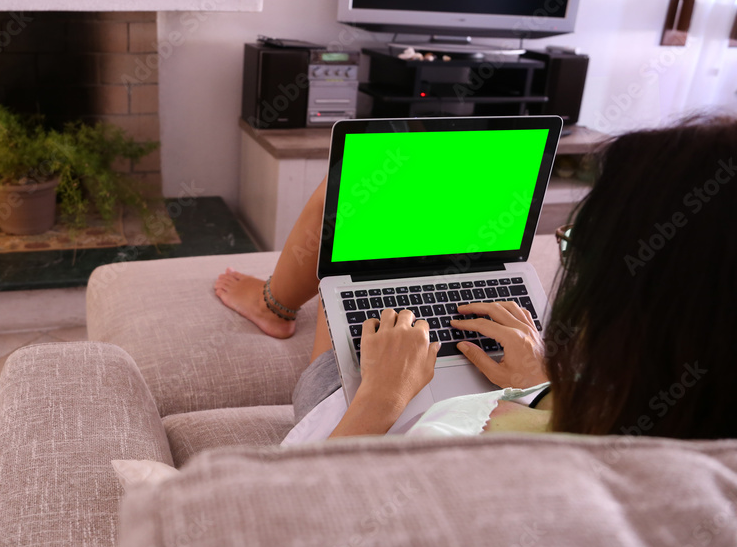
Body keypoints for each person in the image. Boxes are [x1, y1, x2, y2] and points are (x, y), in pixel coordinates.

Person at [215, 114, 737, 440]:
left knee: (349, 197)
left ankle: (273, 304)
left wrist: (381, 395)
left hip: (359, 415)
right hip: (518, 384)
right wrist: (542, 386)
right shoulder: (674, 425)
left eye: (579, 251)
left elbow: (296, 517)